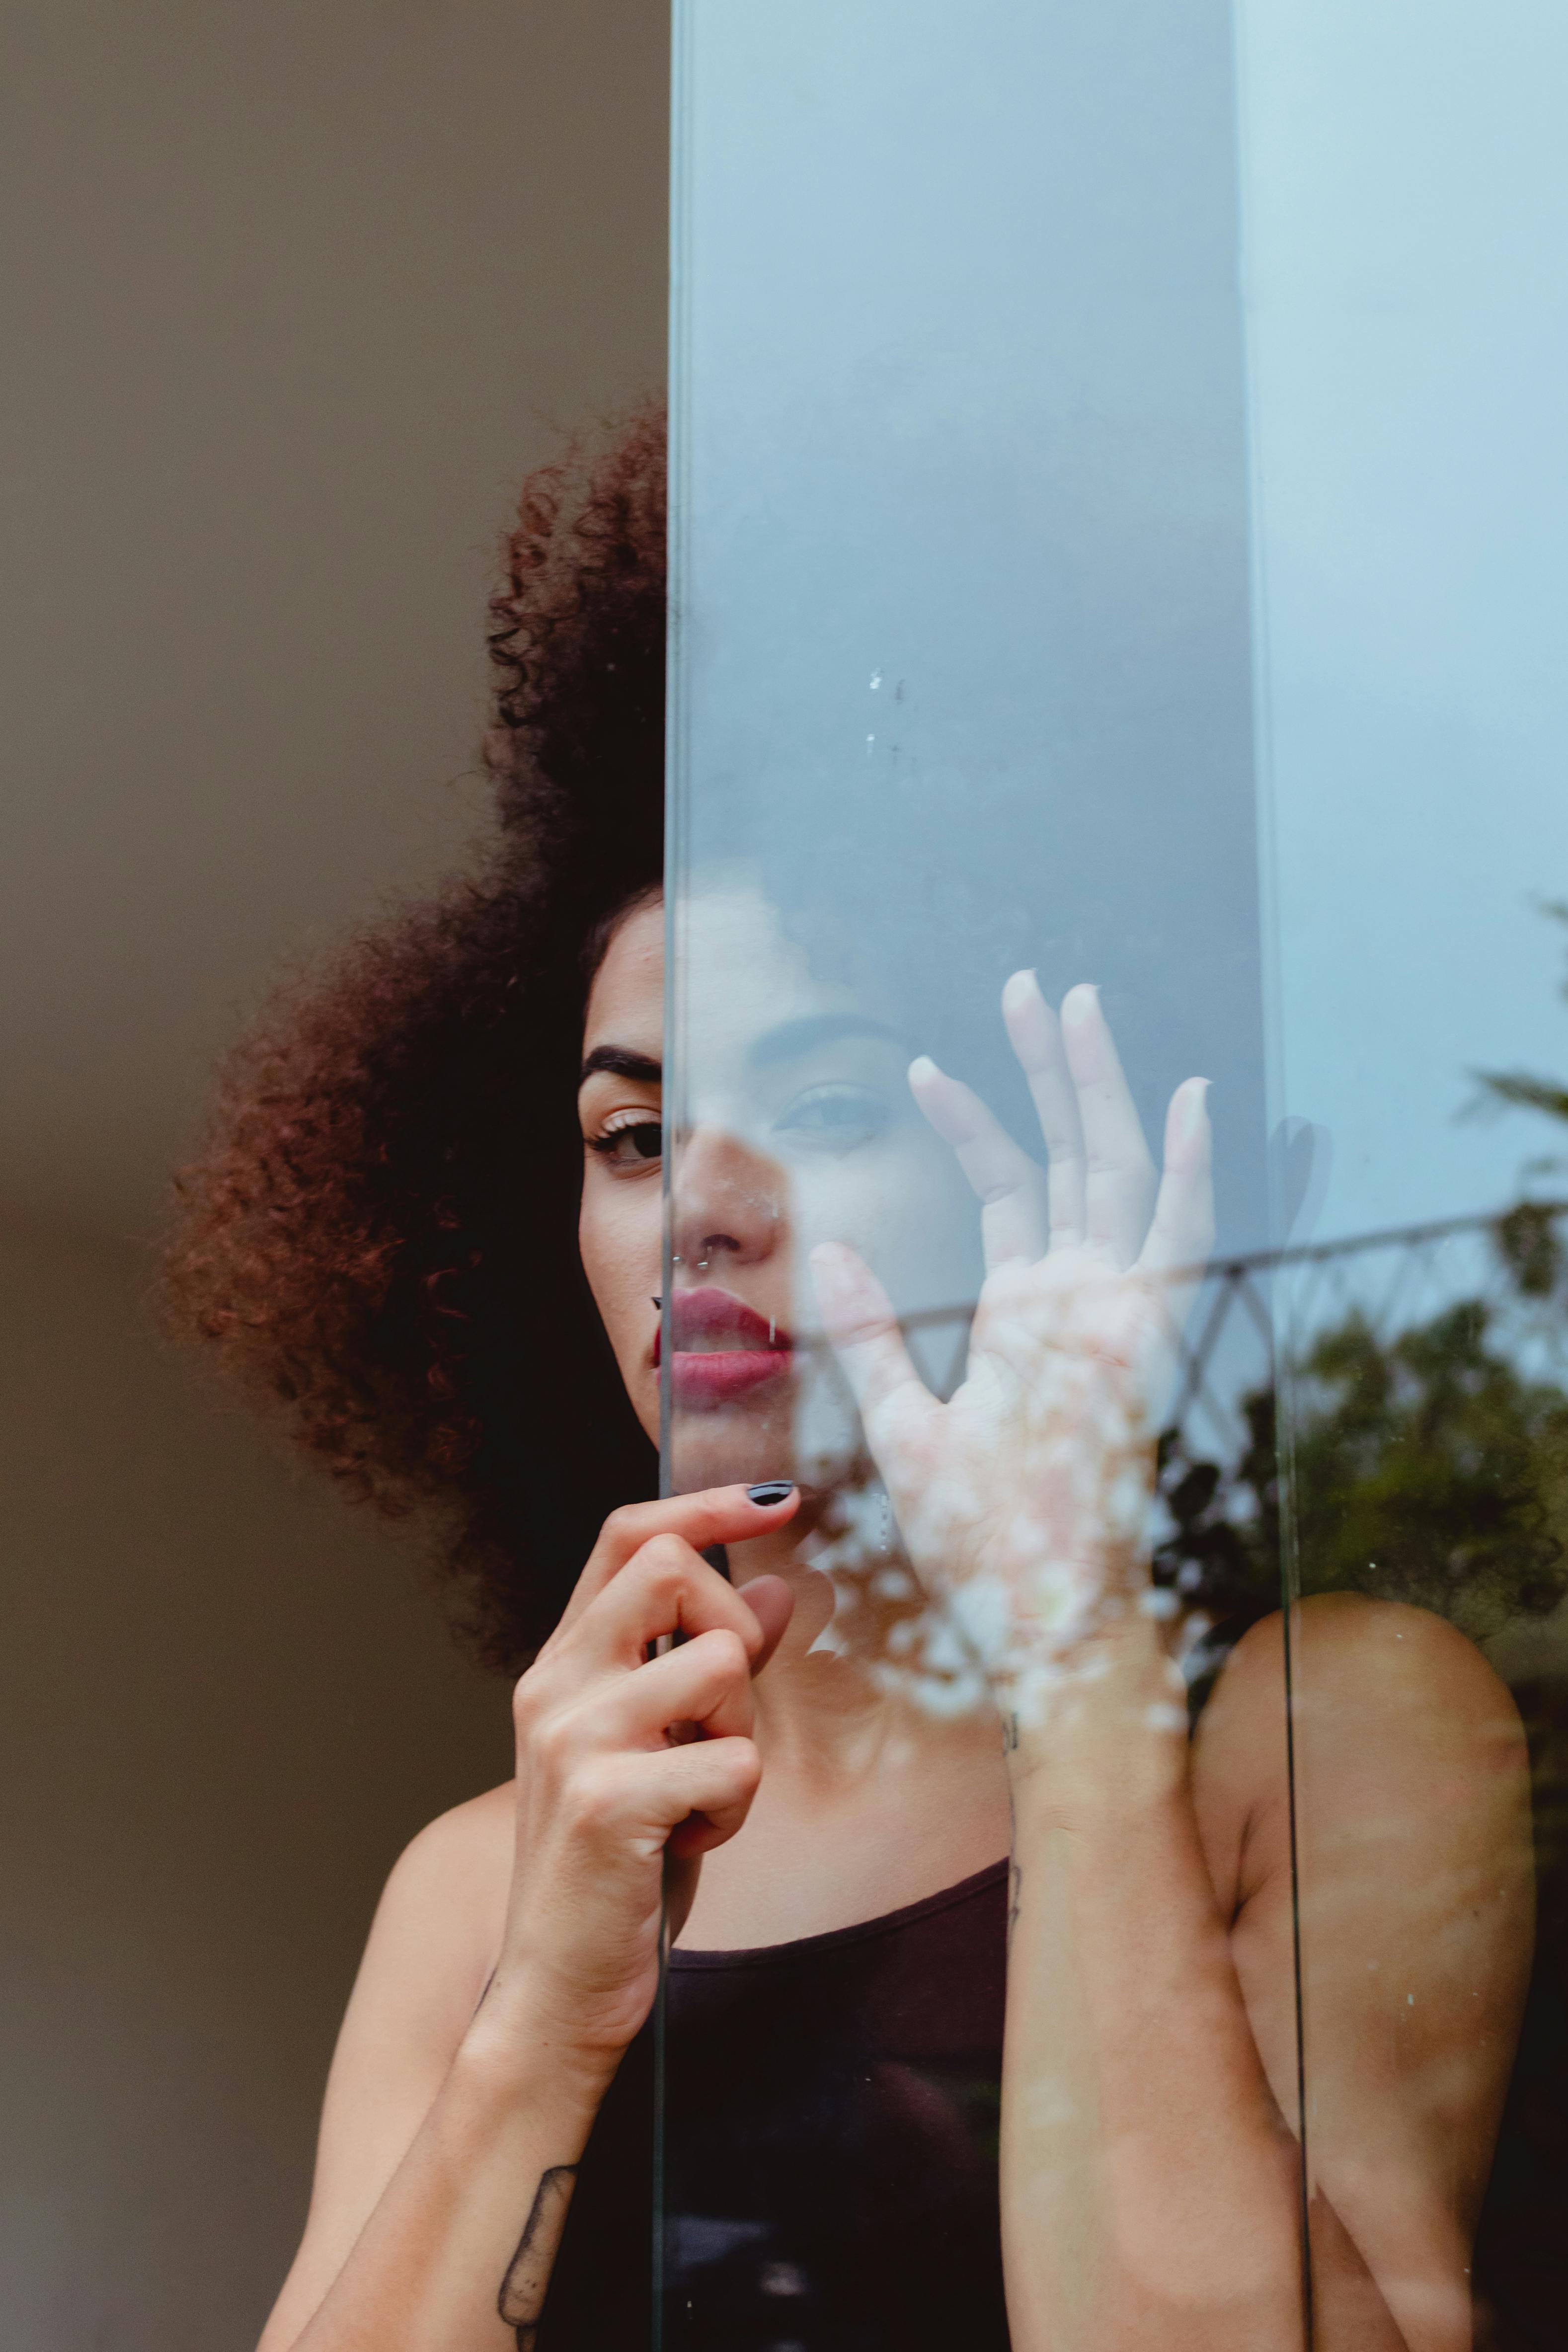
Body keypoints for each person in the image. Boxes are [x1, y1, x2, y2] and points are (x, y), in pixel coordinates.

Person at [167, 415, 1534, 2352]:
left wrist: (1076, 1654)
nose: (700, 1206)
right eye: (634, 1136)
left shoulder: (1312, 1726)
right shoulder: (482, 1876)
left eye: (821, 1106)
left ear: (1054, 1168)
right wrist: (543, 2013)